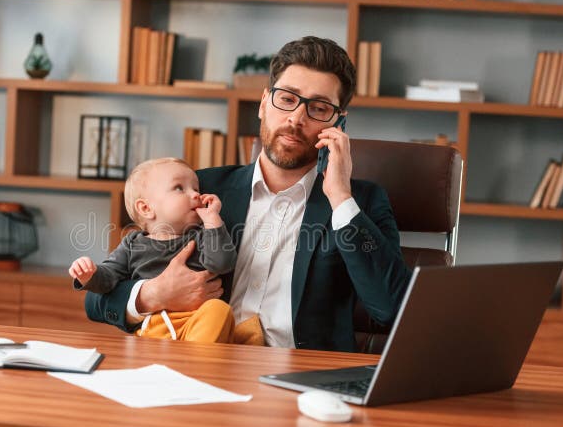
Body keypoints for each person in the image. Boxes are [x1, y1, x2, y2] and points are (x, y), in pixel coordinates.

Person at [84, 36, 412, 351]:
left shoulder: (360, 203)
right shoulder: (198, 194)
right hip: (200, 364)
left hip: (300, 373)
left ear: (338, 123)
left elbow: (391, 308)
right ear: (263, 103)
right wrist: (153, 294)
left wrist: (340, 197)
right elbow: (97, 300)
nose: (296, 118)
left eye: (319, 108)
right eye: (287, 99)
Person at [70, 157, 260, 344]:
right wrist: (89, 274)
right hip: (156, 326)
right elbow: (108, 278)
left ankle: (194, 356)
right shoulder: (132, 244)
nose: (195, 195)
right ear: (146, 208)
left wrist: (213, 221)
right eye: (179, 188)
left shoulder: (203, 235)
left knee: (219, 310)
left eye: (196, 189)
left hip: (196, 321)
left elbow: (222, 263)